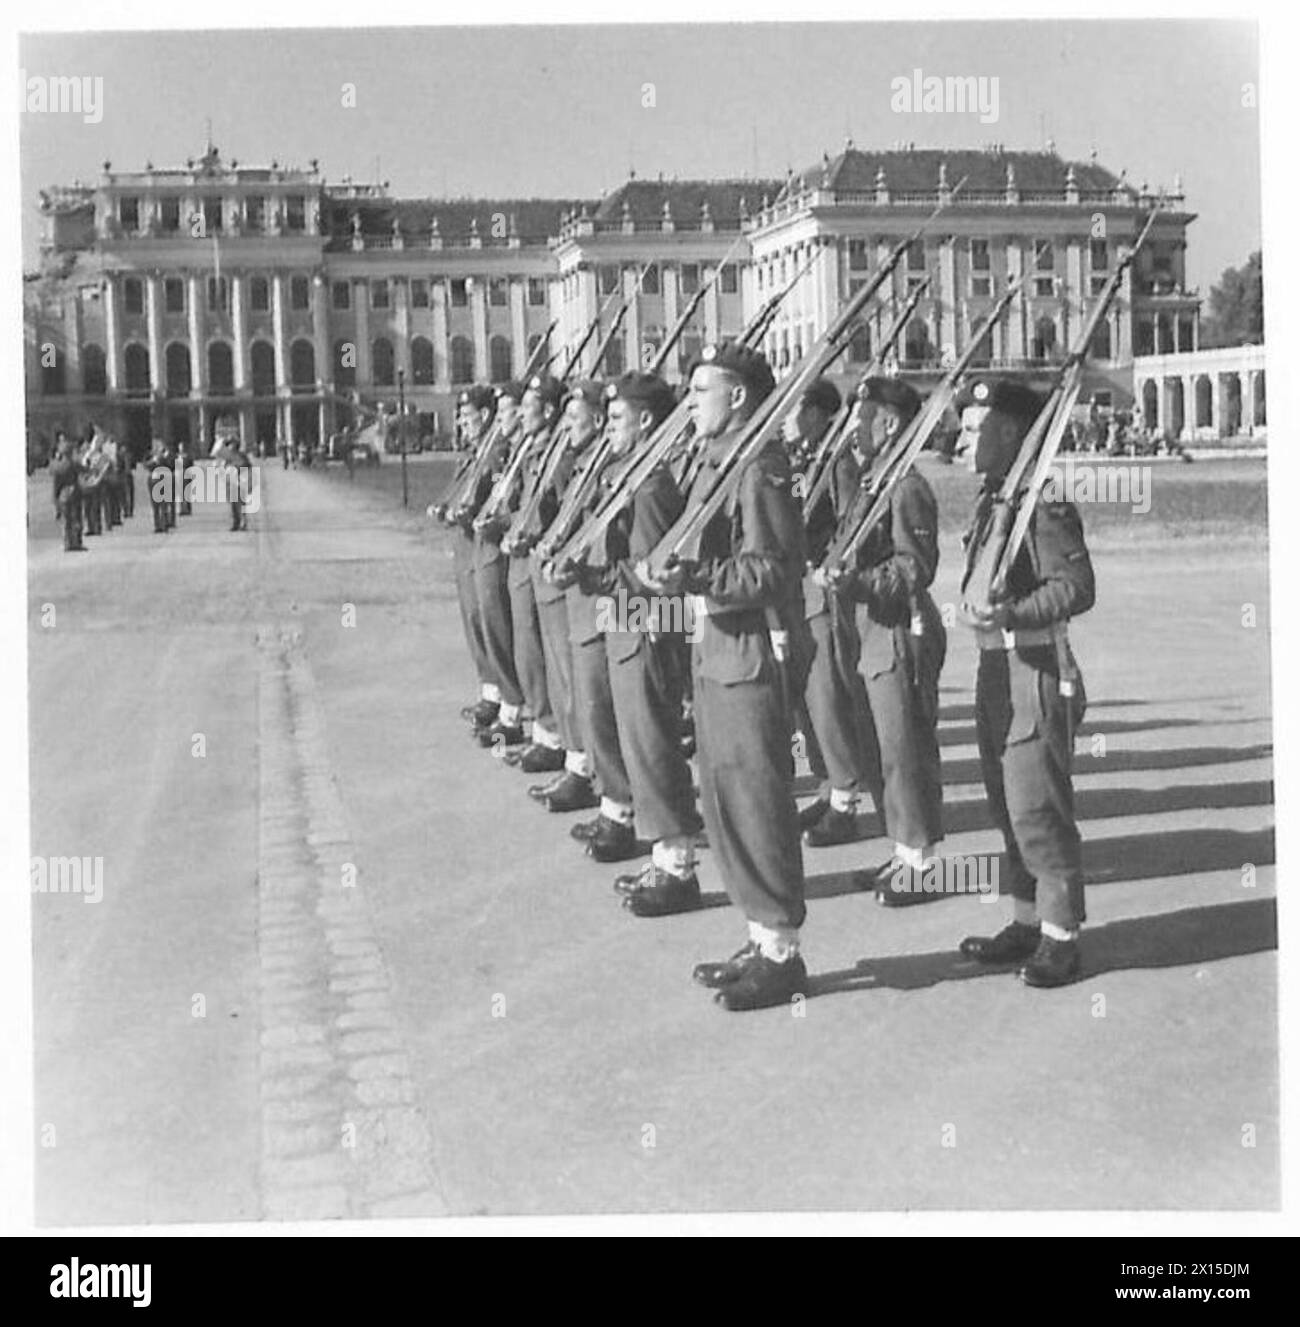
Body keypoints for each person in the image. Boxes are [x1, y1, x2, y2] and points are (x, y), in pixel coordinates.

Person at [638, 342, 812, 1011]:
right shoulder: (717, 461)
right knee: (723, 798)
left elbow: (774, 568)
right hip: (714, 647)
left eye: (700, 390)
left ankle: (783, 953)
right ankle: (759, 933)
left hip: (749, 650)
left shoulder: (760, 465)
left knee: (757, 799)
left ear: (738, 396)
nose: (690, 403)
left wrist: (698, 576)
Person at [955, 379, 1095, 987]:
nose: (960, 439)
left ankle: (1061, 936)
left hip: (1034, 669)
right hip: (995, 671)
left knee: (1038, 807)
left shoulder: (1044, 500)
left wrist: (1012, 614)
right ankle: (1027, 920)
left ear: (1011, 431)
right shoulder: (996, 500)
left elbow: (1076, 588)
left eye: (973, 428)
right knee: (1007, 806)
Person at [830, 377, 946, 904]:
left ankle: (920, 862)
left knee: (904, 747)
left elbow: (915, 567)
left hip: (899, 626)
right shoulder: (875, 480)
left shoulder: (906, 488)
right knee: (878, 746)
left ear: (890, 423)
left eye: (864, 418)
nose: (855, 428)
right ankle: (902, 849)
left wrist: (857, 582)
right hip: (868, 624)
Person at [592, 371, 705, 908]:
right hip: (626, 621)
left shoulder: (654, 486)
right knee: (639, 743)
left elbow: (654, 571)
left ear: (645, 422)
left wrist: (595, 575)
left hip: (648, 625)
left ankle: (679, 867)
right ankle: (662, 858)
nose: (609, 427)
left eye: (618, 418)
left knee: (655, 746)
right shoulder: (631, 476)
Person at [790, 377, 881, 849]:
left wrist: (824, 559)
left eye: (797, 408)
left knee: (827, 697)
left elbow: (850, 526)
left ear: (817, 414)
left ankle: (846, 801)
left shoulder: (838, 462)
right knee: (808, 702)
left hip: (822, 592)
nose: (788, 418)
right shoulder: (804, 458)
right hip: (799, 592)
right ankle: (828, 787)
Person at [514, 381, 606, 812]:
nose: (568, 425)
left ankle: (589, 773)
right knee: (561, 674)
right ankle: (575, 761)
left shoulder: (588, 464)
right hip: (566, 580)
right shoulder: (570, 457)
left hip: (599, 594)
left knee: (580, 683)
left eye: (575, 417)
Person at [472, 382, 528, 749]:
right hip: (495, 549)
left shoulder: (515, 453)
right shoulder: (506, 451)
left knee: (516, 639)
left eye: (506, 410)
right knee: (491, 628)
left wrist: (503, 521)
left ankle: (515, 714)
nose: (499, 418)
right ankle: (507, 708)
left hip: (513, 557)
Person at [50, 434, 86, 551]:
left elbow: (56, 484)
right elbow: (85, 470)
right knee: (76, 519)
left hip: (63, 495)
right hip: (75, 493)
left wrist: (55, 498)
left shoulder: (58, 466)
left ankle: (67, 543)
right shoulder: (74, 464)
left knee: (66, 520)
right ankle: (76, 542)